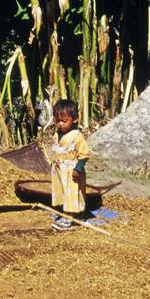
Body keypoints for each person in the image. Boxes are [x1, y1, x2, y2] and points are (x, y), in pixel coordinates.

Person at [48, 99, 90, 231]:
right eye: (57, 121)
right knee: (61, 191)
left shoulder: (76, 136)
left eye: (64, 121)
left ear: (75, 119)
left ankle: (69, 217)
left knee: (72, 193)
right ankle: (63, 211)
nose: (60, 124)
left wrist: (78, 169)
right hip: (60, 170)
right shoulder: (57, 134)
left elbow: (84, 154)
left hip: (72, 172)